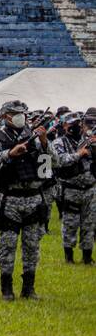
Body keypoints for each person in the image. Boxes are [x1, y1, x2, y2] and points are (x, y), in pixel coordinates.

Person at [0, 100, 49, 300]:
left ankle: (28, 287)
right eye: (15, 113)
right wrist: (8, 154)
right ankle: (7, 288)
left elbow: (49, 165)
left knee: (32, 245)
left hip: (34, 197)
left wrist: (45, 143)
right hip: (10, 198)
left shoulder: (34, 137)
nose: (21, 117)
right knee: (8, 244)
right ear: (5, 116)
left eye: (23, 113)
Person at [52, 109, 94, 265]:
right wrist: (78, 154)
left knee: (89, 224)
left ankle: (87, 257)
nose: (75, 127)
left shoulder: (88, 139)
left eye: (77, 123)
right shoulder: (59, 142)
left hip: (90, 188)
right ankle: (69, 257)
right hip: (71, 189)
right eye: (71, 124)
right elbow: (58, 160)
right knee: (70, 224)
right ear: (64, 126)